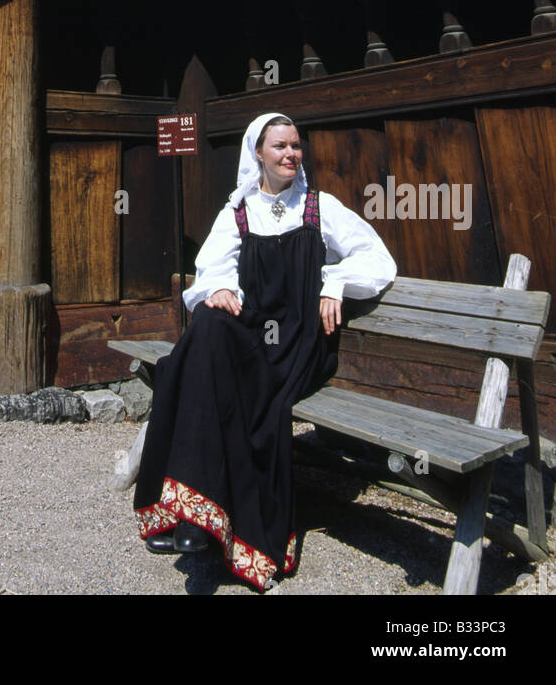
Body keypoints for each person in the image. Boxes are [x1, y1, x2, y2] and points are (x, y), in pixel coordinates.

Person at [134, 112, 397, 592]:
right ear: (258, 153)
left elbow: (378, 258)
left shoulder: (319, 207)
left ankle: (195, 514)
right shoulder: (238, 211)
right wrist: (216, 290)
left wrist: (335, 282)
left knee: (193, 364)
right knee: (207, 329)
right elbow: (210, 270)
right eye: (280, 146)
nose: (291, 154)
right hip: (256, 336)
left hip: (299, 342)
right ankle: (197, 513)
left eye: (296, 146)